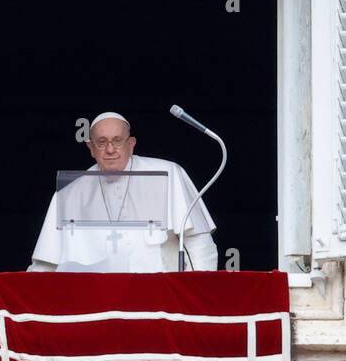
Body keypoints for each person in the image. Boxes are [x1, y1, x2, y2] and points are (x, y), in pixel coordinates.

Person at [28, 112, 218, 272]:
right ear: (90, 148)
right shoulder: (69, 195)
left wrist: (198, 292)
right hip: (97, 302)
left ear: (131, 143)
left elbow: (198, 242)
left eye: (118, 141)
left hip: (160, 297)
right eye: (101, 142)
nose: (110, 149)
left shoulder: (168, 173)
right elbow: (46, 263)